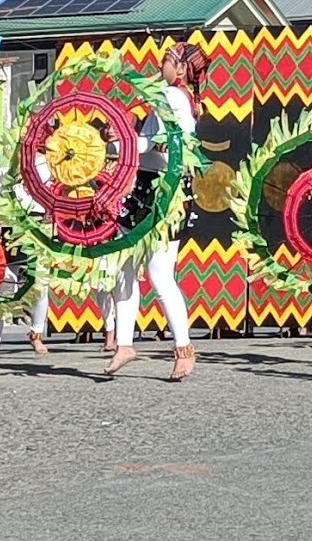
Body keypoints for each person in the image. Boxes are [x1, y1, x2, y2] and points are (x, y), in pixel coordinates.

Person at [104, 43, 207, 381]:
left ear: (181, 70)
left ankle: (183, 349)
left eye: (168, 60)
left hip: (166, 190)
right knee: (125, 269)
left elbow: (165, 144)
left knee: (160, 274)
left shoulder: (175, 98)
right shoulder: (162, 96)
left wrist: (118, 146)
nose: (160, 63)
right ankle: (124, 344)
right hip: (145, 185)